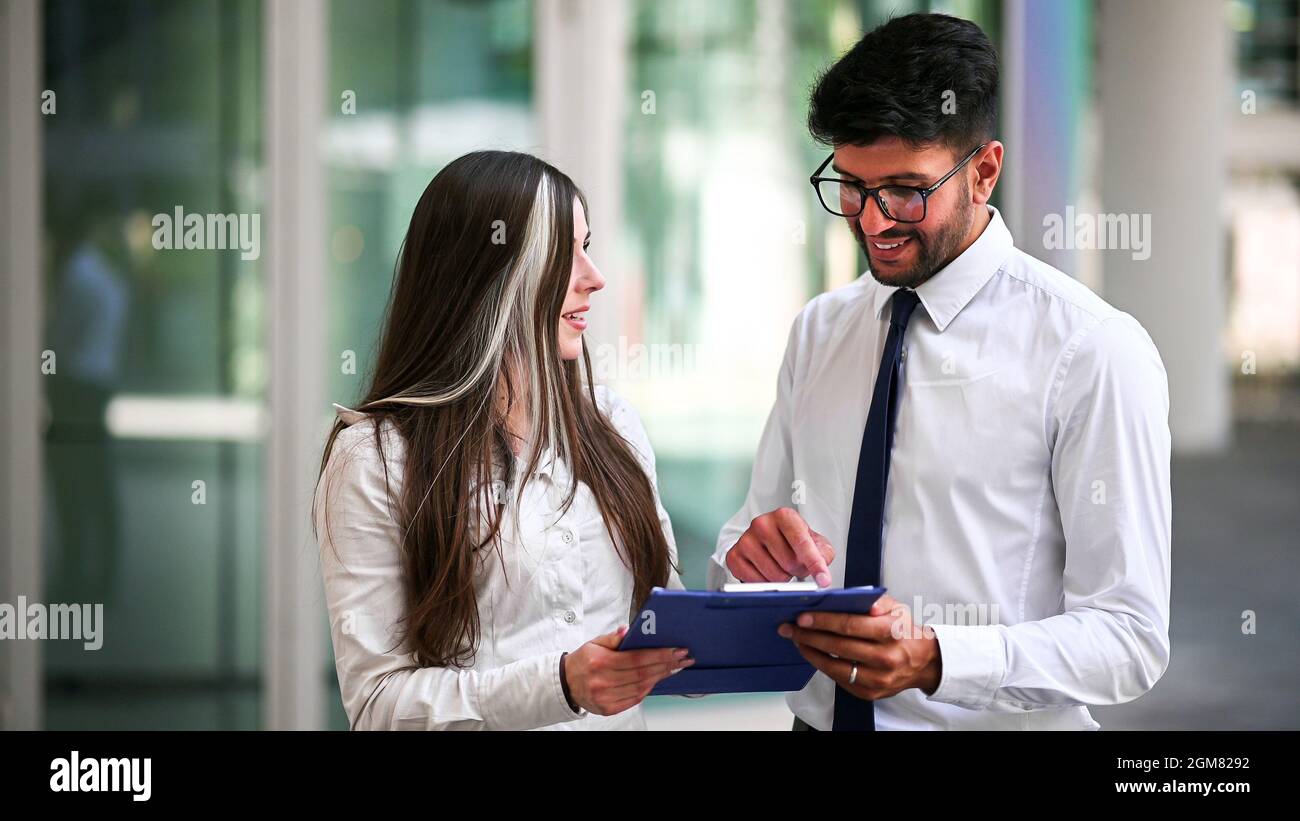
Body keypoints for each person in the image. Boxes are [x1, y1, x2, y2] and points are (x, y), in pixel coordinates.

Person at [712, 13, 1172, 730]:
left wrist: (939, 658)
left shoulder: (1091, 350)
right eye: (852, 186)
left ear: (985, 171)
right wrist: (745, 563)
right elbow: (743, 553)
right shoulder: (820, 331)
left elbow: (1130, 637)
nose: (870, 221)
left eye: (904, 190)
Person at [316, 150, 690, 730]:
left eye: (588, 247)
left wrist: (756, 583)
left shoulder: (612, 426)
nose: (595, 277)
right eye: (565, 255)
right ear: (489, 275)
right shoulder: (374, 460)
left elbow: (667, 631)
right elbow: (378, 705)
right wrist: (560, 685)